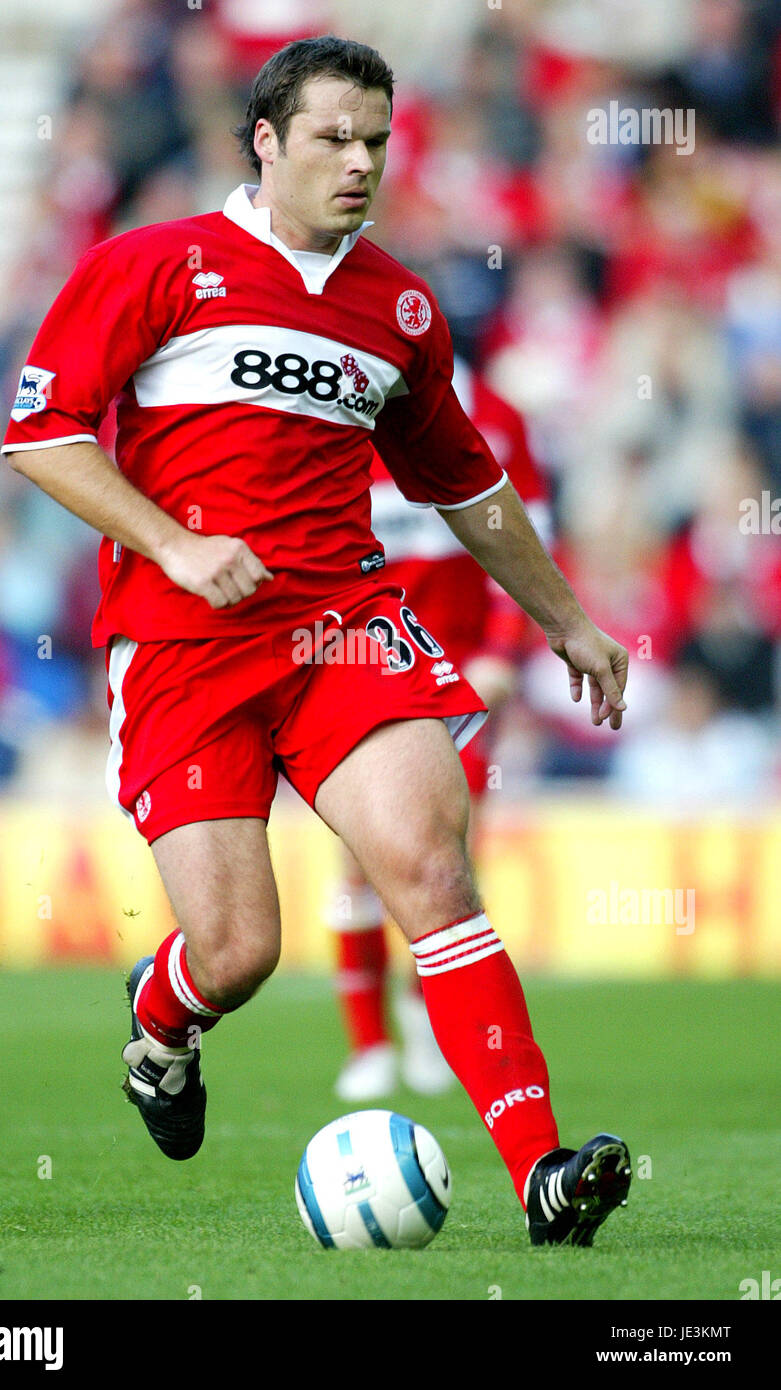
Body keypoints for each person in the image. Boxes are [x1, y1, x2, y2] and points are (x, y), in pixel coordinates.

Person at [1, 35, 631, 1248]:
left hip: (340, 629)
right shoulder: (157, 263)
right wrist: (173, 543)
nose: (358, 164)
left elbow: (466, 485)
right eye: (333, 138)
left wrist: (570, 623)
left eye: (377, 142)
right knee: (237, 950)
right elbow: (42, 432)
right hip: (181, 646)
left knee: (431, 867)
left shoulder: (395, 305)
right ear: (266, 141)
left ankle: (542, 1170)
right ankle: (166, 1019)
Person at [329, 366, 553, 1102]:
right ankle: (366, 1041)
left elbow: (522, 540)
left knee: (444, 860)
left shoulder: (495, 415)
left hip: (457, 670)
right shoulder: (334, 402)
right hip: (366, 658)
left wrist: (501, 647)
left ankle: (424, 1016)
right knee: (356, 854)